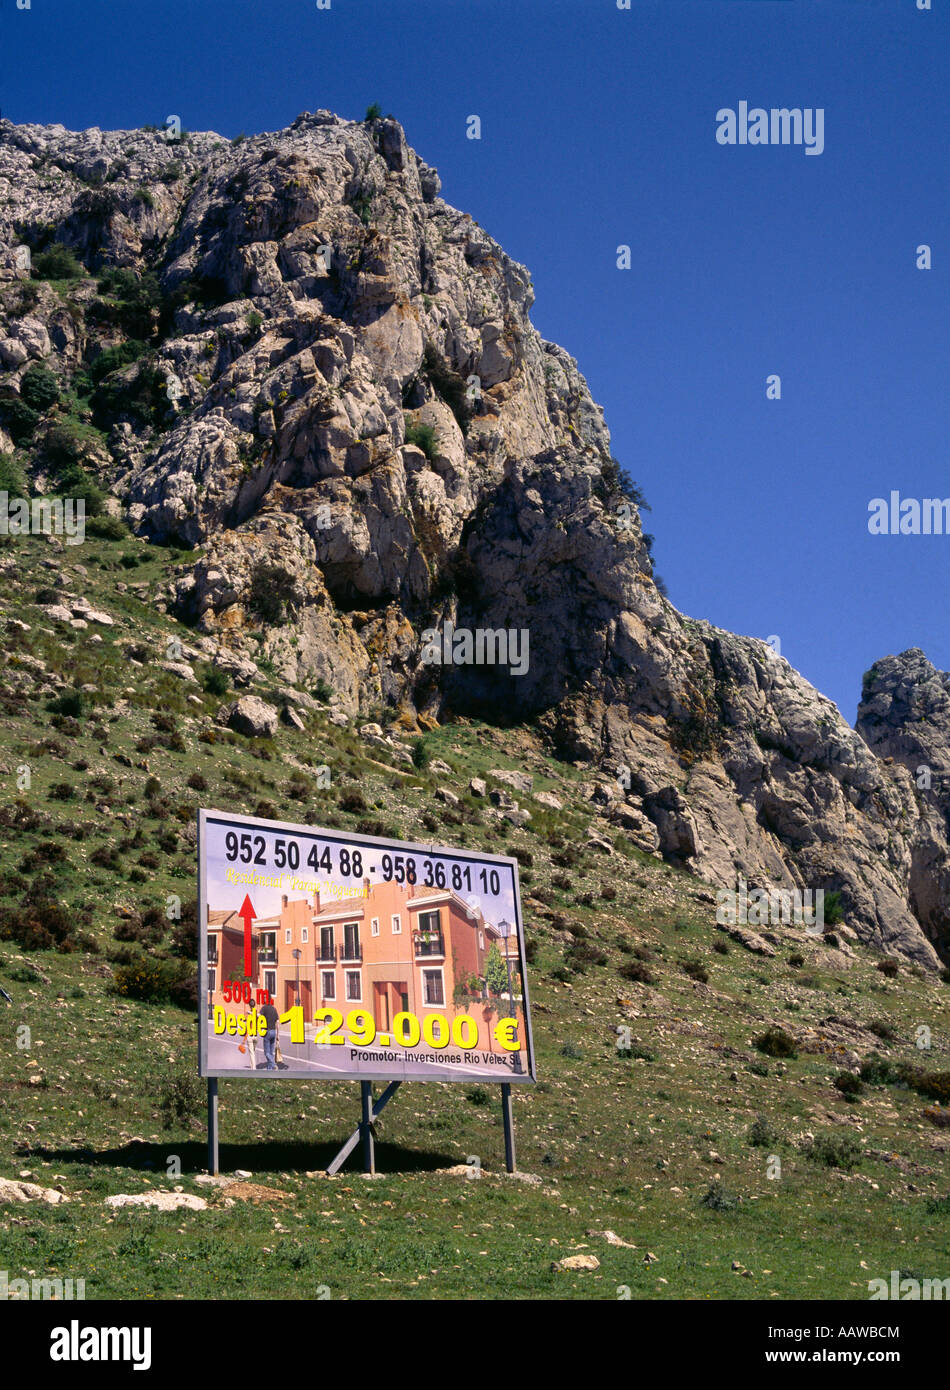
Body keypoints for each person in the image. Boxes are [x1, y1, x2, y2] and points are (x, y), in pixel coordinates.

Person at [260, 1000, 279, 1070]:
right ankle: (269, 1070)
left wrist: (251, 1013)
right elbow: (277, 1022)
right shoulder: (274, 1009)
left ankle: (273, 1064)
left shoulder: (264, 1008)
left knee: (266, 1053)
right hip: (274, 1031)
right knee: (271, 1052)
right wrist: (277, 1035)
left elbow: (259, 1016)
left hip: (267, 1032)